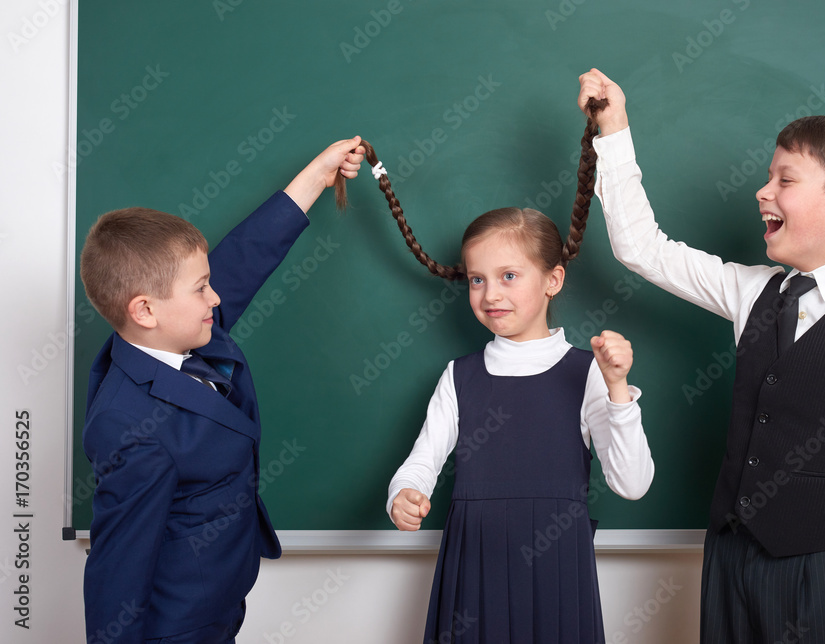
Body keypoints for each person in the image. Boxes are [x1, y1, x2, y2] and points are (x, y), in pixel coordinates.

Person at [576, 68, 825, 644]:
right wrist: (613, 128)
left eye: (785, 180)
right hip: (728, 559)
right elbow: (642, 248)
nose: (762, 191)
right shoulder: (753, 291)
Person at [370, 116, 654, 642]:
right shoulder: (459, 377)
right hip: (473, 569)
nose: (491, 294)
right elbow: (421, 462)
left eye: (508, 276)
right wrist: (403, 494)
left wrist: (618, 388)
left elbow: (632, 484)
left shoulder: (587, 372)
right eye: (477, 280)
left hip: (558, 573)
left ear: (553, 280)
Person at [79, 136, 366, 644]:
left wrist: (318, 177)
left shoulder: (176, 333)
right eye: (201, 289)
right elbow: (116, 575)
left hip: (219, 605)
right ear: (145, 310)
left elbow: (245, 257)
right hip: (178, 629)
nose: (216, 297)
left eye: (209, 282)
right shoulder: (129, 426)